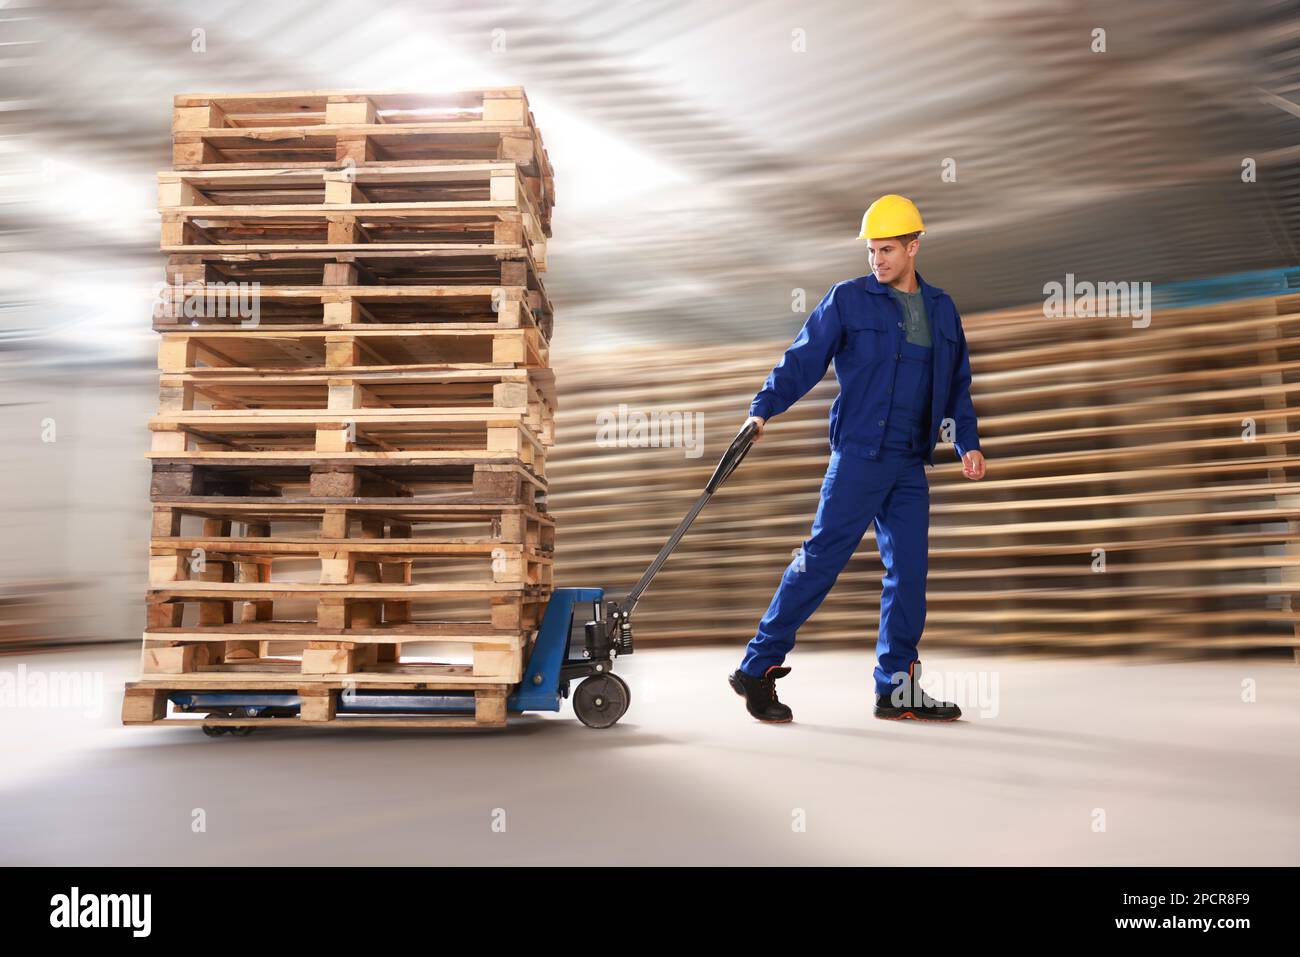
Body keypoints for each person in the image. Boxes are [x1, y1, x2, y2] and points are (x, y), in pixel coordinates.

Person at [729, 195, 986, 724]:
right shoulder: (848, 300)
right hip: (859, 458)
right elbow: (802, 359)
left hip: (910, 464)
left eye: (888, 250)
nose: (878, 260)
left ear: (915, 246)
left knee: (909, 574)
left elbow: (958, 384)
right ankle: (757, 668)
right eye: (872, 251)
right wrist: (762, 410)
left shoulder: (941, 309)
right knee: (820, 559)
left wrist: (967, 442)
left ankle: (897, 689)